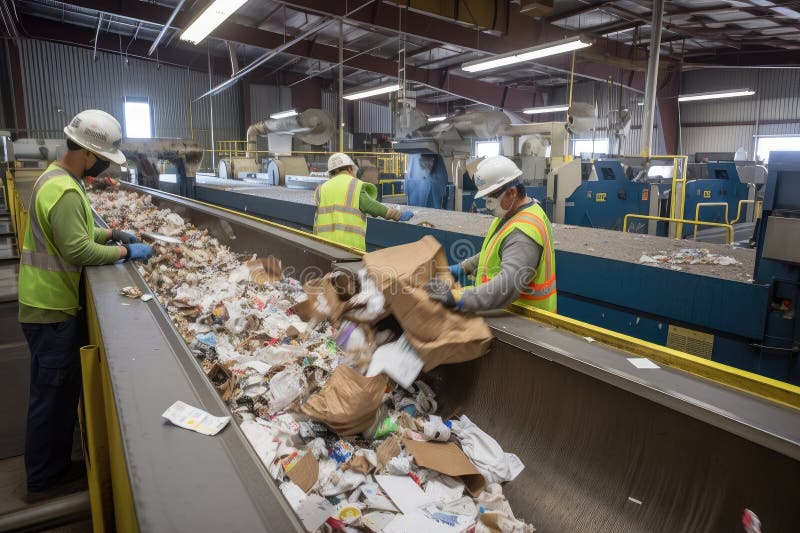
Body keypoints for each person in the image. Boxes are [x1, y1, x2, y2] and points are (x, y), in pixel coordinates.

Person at [17, 109, 154, 502]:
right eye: (104, 159)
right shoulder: (63, 189)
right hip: (50, 308)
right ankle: (43, 479)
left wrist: (110, 233)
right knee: (51, 396)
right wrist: (126, 251)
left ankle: (54, 466)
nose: (104, 166)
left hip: (47, 304)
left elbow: (75, 230)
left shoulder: (58, 179)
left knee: (57, 394)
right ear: (88, 154)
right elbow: (77, 249)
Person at [425, 155, 556, 313]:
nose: (488, 203)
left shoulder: (523, 233)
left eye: (491, 197)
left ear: (512, 192)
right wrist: (464, 267)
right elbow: (496, 251)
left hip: (524, 318)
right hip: (504, 310)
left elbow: (508, 284)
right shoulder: (511, 213)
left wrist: (459, 299)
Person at [314, 153, 414, 251]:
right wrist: (397, 215)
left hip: (324, 246)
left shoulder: (321, 188)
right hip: (349, 247)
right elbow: (372, 206)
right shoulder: (353, 185)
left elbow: (317, 219)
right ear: (349, 168)